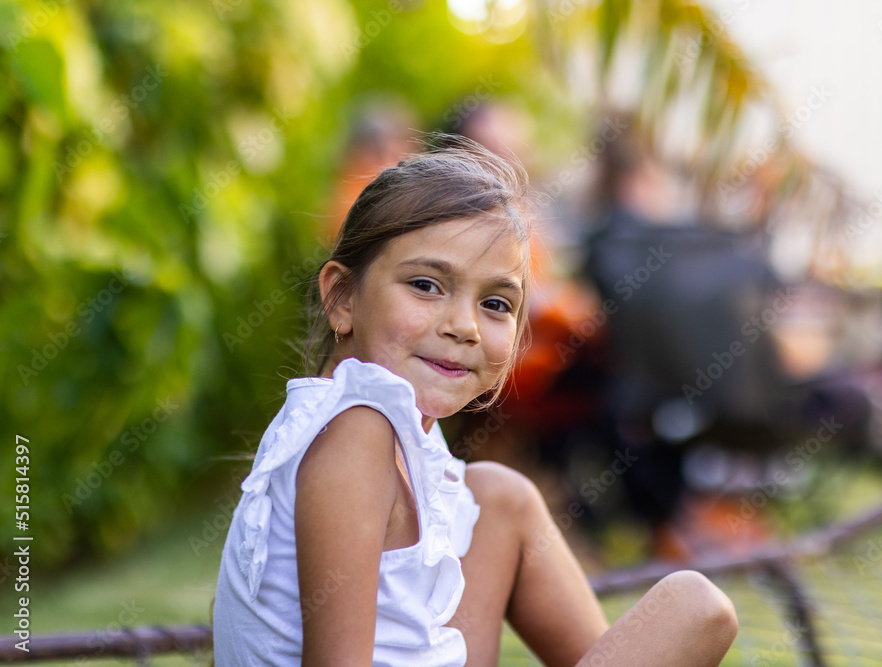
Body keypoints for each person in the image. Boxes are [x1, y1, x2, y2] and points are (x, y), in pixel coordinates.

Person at [213, 136, 739, 666]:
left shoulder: (382, 431)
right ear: (342, 298)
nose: (463, 326)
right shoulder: (356, 435)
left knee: (497, 497)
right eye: (425, 285)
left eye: (495, 303)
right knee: (696, 606)